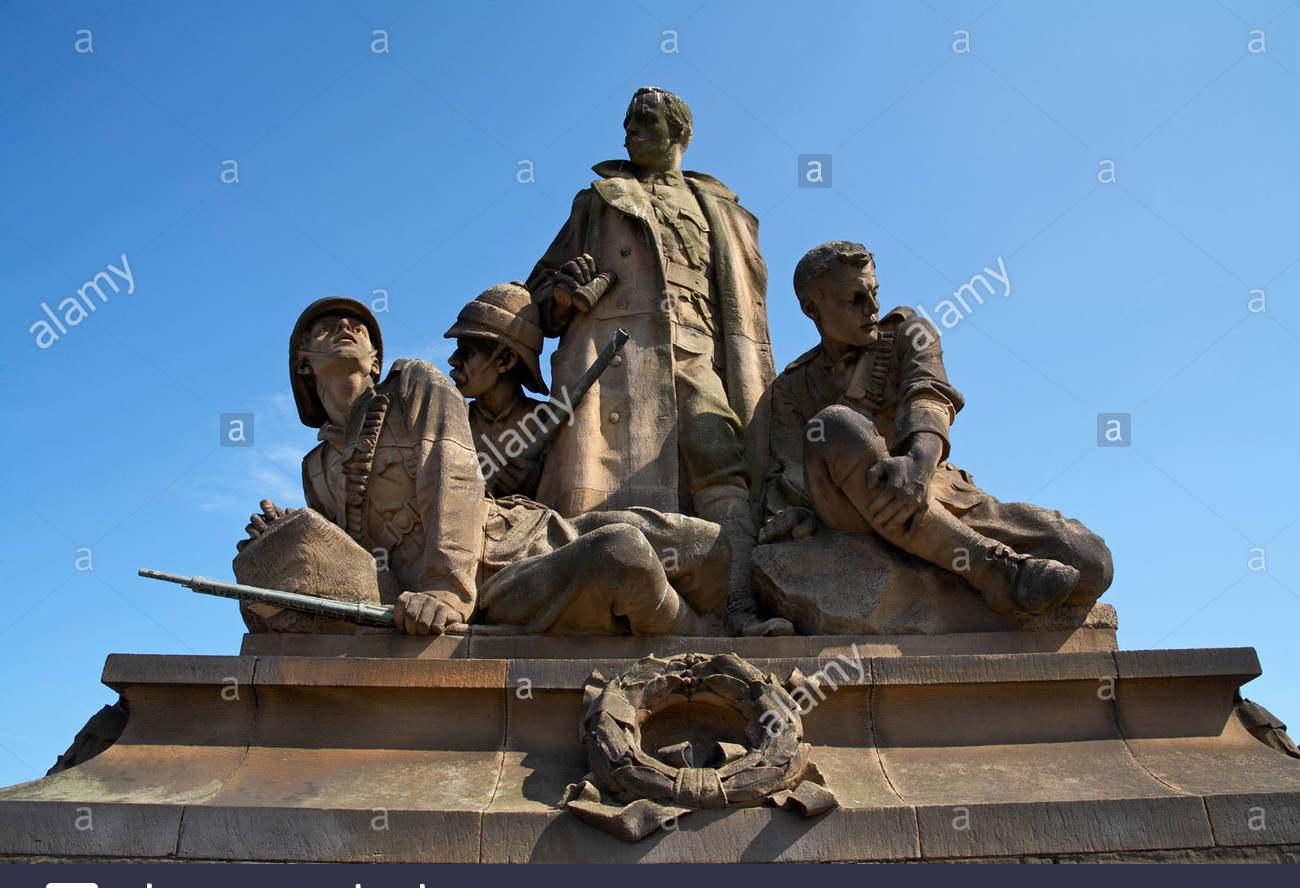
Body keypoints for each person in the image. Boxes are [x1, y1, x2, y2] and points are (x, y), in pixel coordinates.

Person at [240, 296, 729, 636]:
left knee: (707, 546)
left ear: (374, 361)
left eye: (360, 328)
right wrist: (287, 538)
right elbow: (354, 570)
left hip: (506, 544)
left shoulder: (412, 385)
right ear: (303, 363)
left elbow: (449, 475)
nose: (347, 329)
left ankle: (736, 626)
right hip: (492, 589)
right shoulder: (316, 469)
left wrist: (444, 588)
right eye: (326, 329)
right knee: (625, 555)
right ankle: (700, 647)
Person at [527, 86, 789, 637]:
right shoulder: (598, 199)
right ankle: (600, 608)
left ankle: (740, 606)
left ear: (681, 134)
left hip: (702, 353)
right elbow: (538, 293)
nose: (629, 131)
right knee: (604, 484)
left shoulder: (722, 210)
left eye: (645, 121)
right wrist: (564, 294)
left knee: (724, 462)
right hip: (621, 356)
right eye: (626, 122)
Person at [760, 242, 1113, 615]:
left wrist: (918, 463)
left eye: (874, 293)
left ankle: (944, 543)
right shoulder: (792, 387)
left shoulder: (909, 333)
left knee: (1090, 560)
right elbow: (788, 472)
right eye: (854, 299)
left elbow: (928, 399)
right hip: (850, 512)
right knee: (835, 425)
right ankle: (995, 571)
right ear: (812, 308)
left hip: (932, 486)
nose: (872, 308)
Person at [445, 281, 550, 498]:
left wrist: (542, 480)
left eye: (466, 352)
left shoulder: (547, 423)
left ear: (505, 360)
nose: (452, 360)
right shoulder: (451, 423)